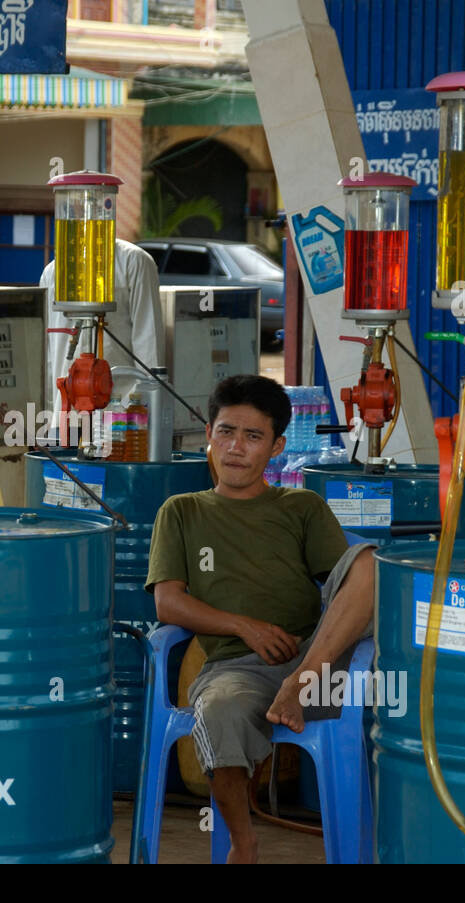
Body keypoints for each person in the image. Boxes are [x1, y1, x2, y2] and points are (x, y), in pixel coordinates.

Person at [145, 374, 376, 864]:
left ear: (275, 448)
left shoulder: (302, 507)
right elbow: (168, 604)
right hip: (237, 670)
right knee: (218, 710)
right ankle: (243, 842)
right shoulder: (181, 512)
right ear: (208, 432)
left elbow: (348, 584)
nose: (235, 447)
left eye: (253, 437)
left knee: (371, 567)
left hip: (319, 661)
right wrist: (243, 626)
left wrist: (307, 669)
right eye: (226, 431)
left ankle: (300, 682)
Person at [41, 238, 165, 419]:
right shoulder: (53, 272)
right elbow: (49, 353)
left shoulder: (134, 262)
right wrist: (51, 415)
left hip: (120, 413)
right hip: (68, 413)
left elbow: (148, 346)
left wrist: (147, 417)